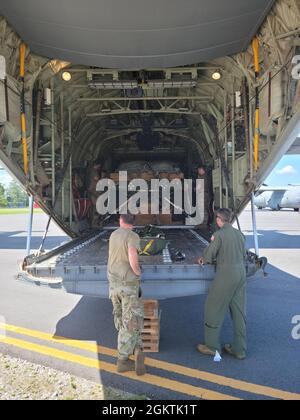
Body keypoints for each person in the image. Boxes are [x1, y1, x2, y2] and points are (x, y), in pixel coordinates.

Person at [197, 208, 247, 360]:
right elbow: (243, 254)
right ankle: (239, 349)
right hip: (241, 274)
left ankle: (212, 346)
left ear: (219, 219)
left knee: (213, 308)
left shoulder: (219, 235)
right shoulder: (239, 234)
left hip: (226, 275)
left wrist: (203, 259)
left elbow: (209, 255)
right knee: (239, 312)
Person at [108, 214, 146, 375]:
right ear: (133, 223)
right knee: (131, 321)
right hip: (127, 286)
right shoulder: (132, 236)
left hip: (113, 284)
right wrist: (138, 272)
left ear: (120, 221)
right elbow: (132, 256)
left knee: (121, 316)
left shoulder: (114, 234)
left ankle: (136, 347)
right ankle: (122, 360)